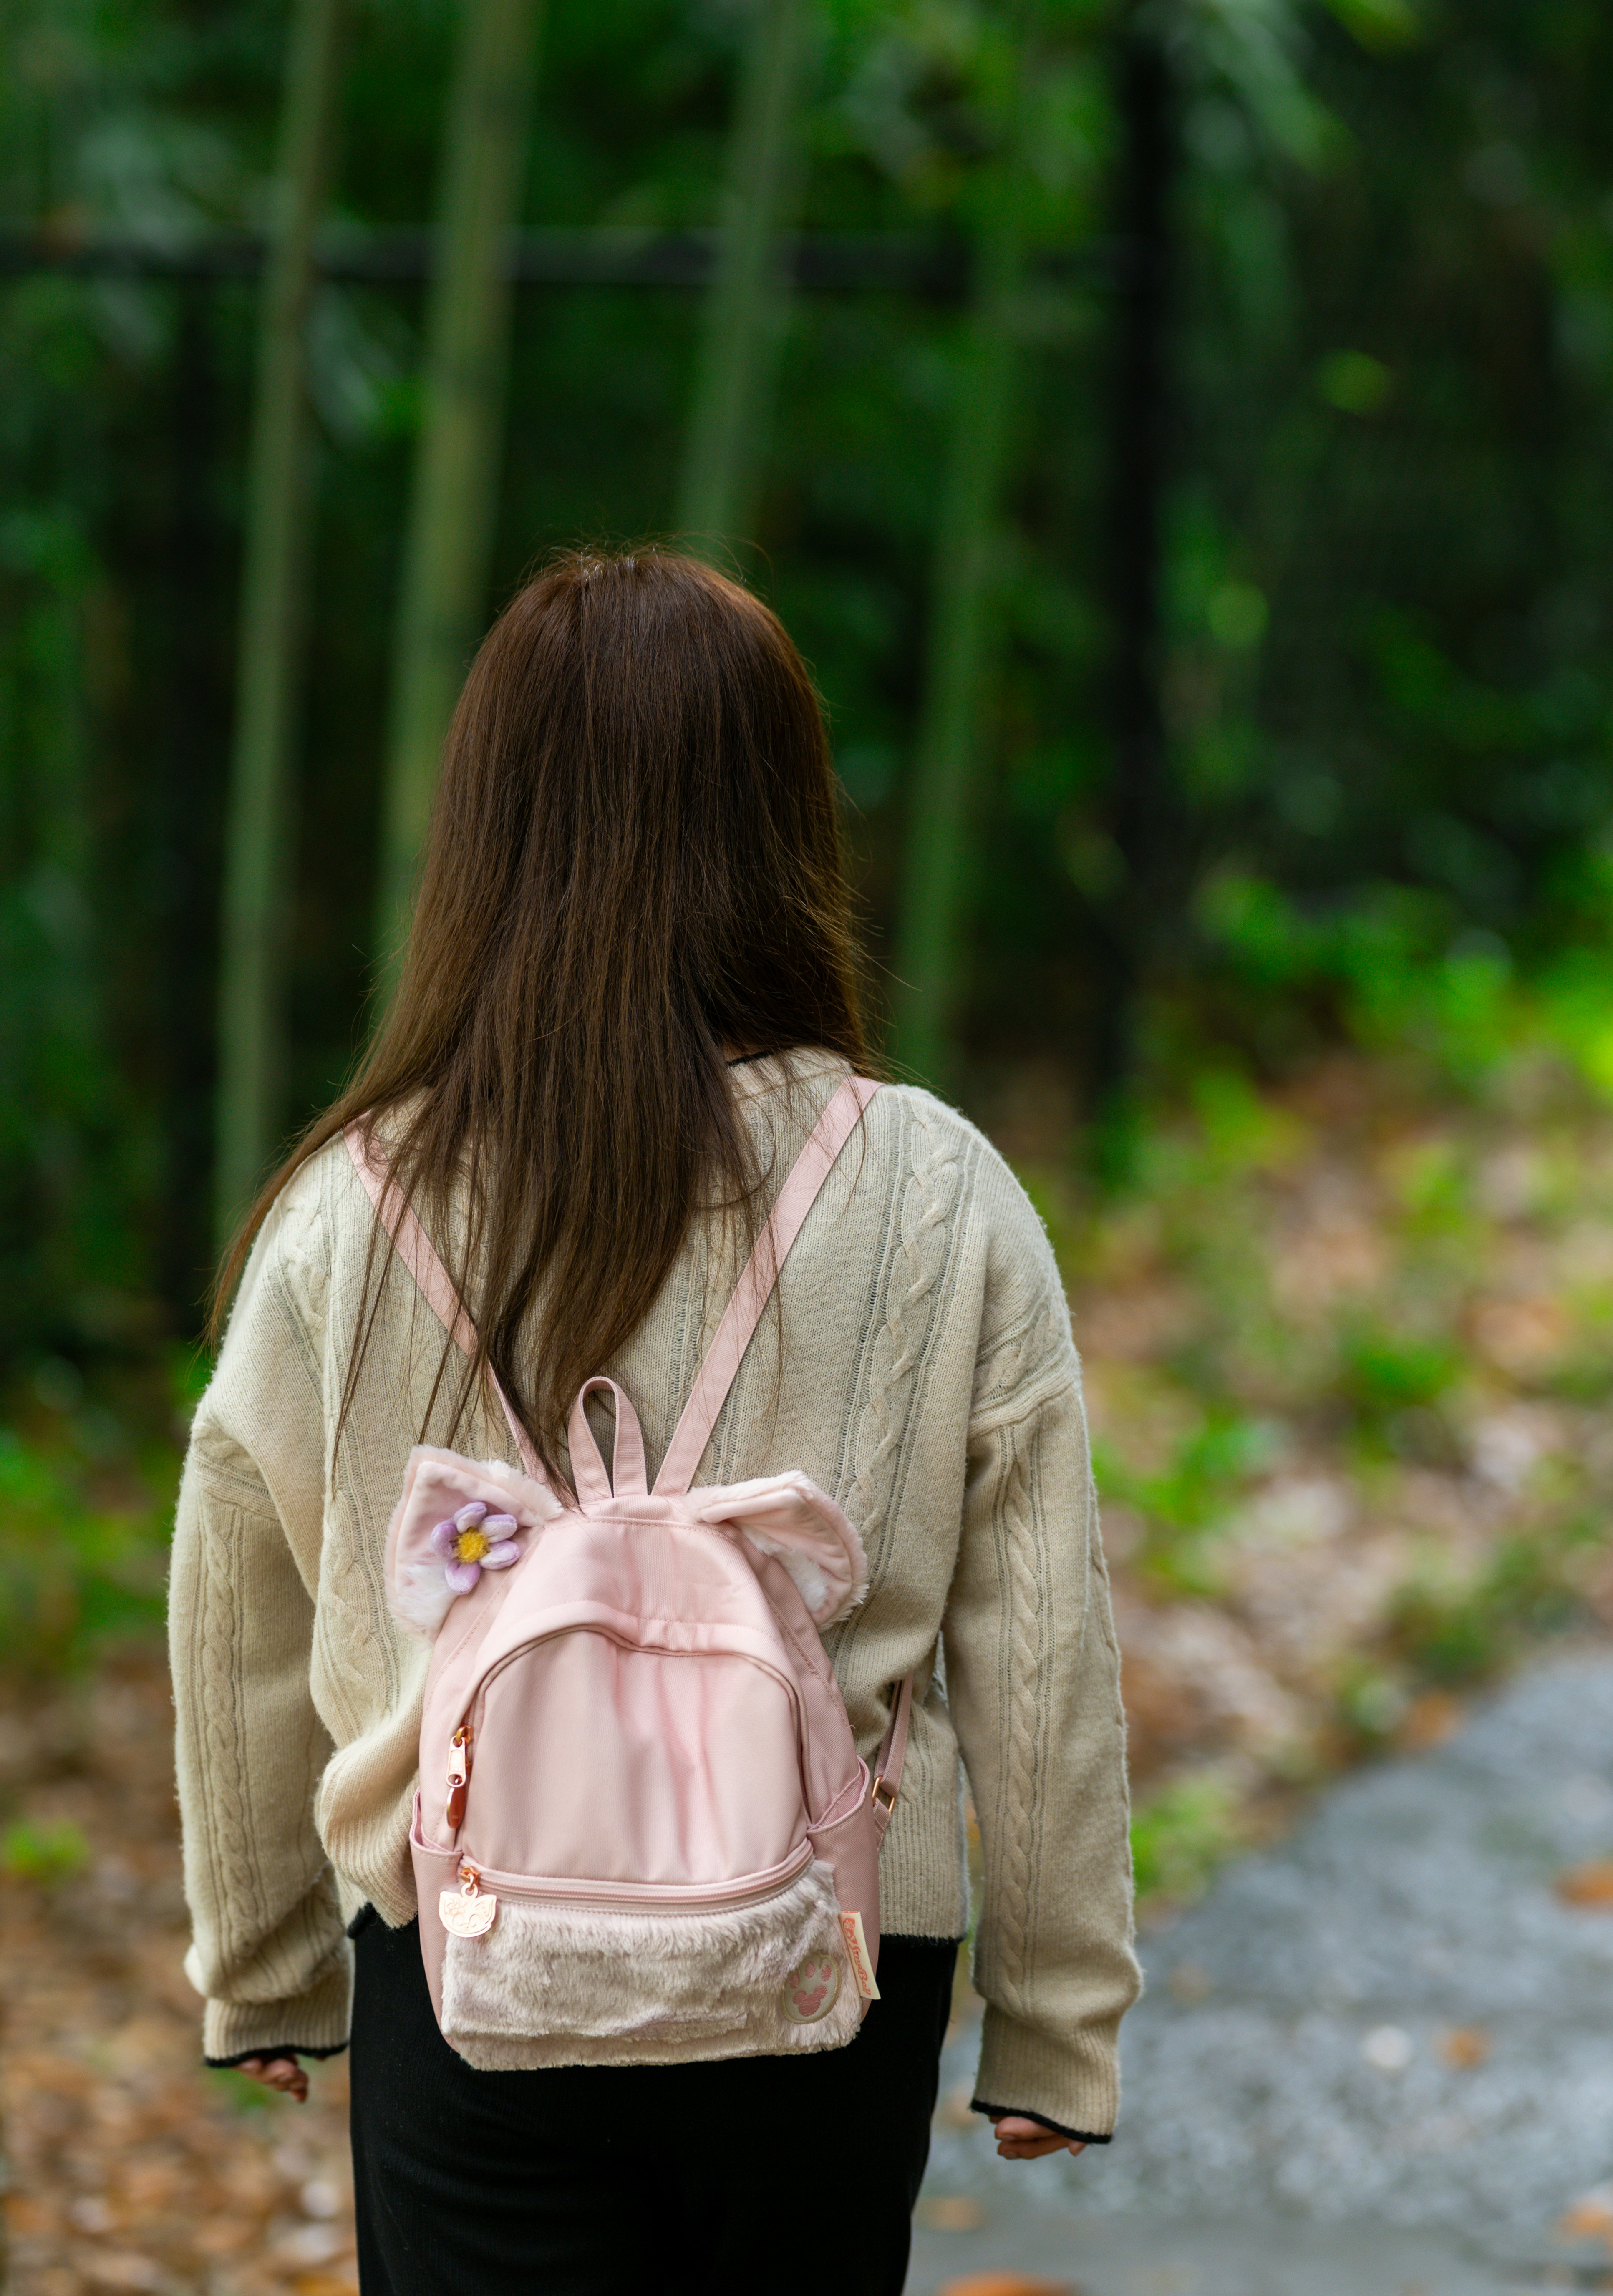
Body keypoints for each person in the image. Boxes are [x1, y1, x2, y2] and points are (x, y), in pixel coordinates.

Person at [172, 547, 1142, 2292]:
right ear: (787, 818)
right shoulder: (935, 1188)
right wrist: (1058, 2017)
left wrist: (264, 1961)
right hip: (830, 1966)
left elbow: (236, 1585)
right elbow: (1042, 1633)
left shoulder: (355, 1207)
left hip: (465, 1956)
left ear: (487, 832)